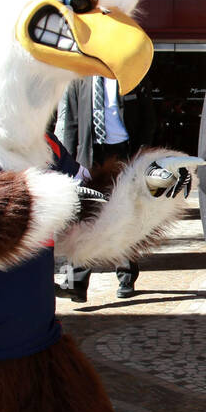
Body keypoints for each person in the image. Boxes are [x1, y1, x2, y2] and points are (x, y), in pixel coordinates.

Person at [54, 74, 157, 299]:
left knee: (125, 214)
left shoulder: (132, 76)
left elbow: (147, 119)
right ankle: (76, 283)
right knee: (84, 217)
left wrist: (140, 156)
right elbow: (72, 121)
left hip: (122, 152)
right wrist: (69, 163)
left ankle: (126, 275)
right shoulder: (78, 80)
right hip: (89, 154)